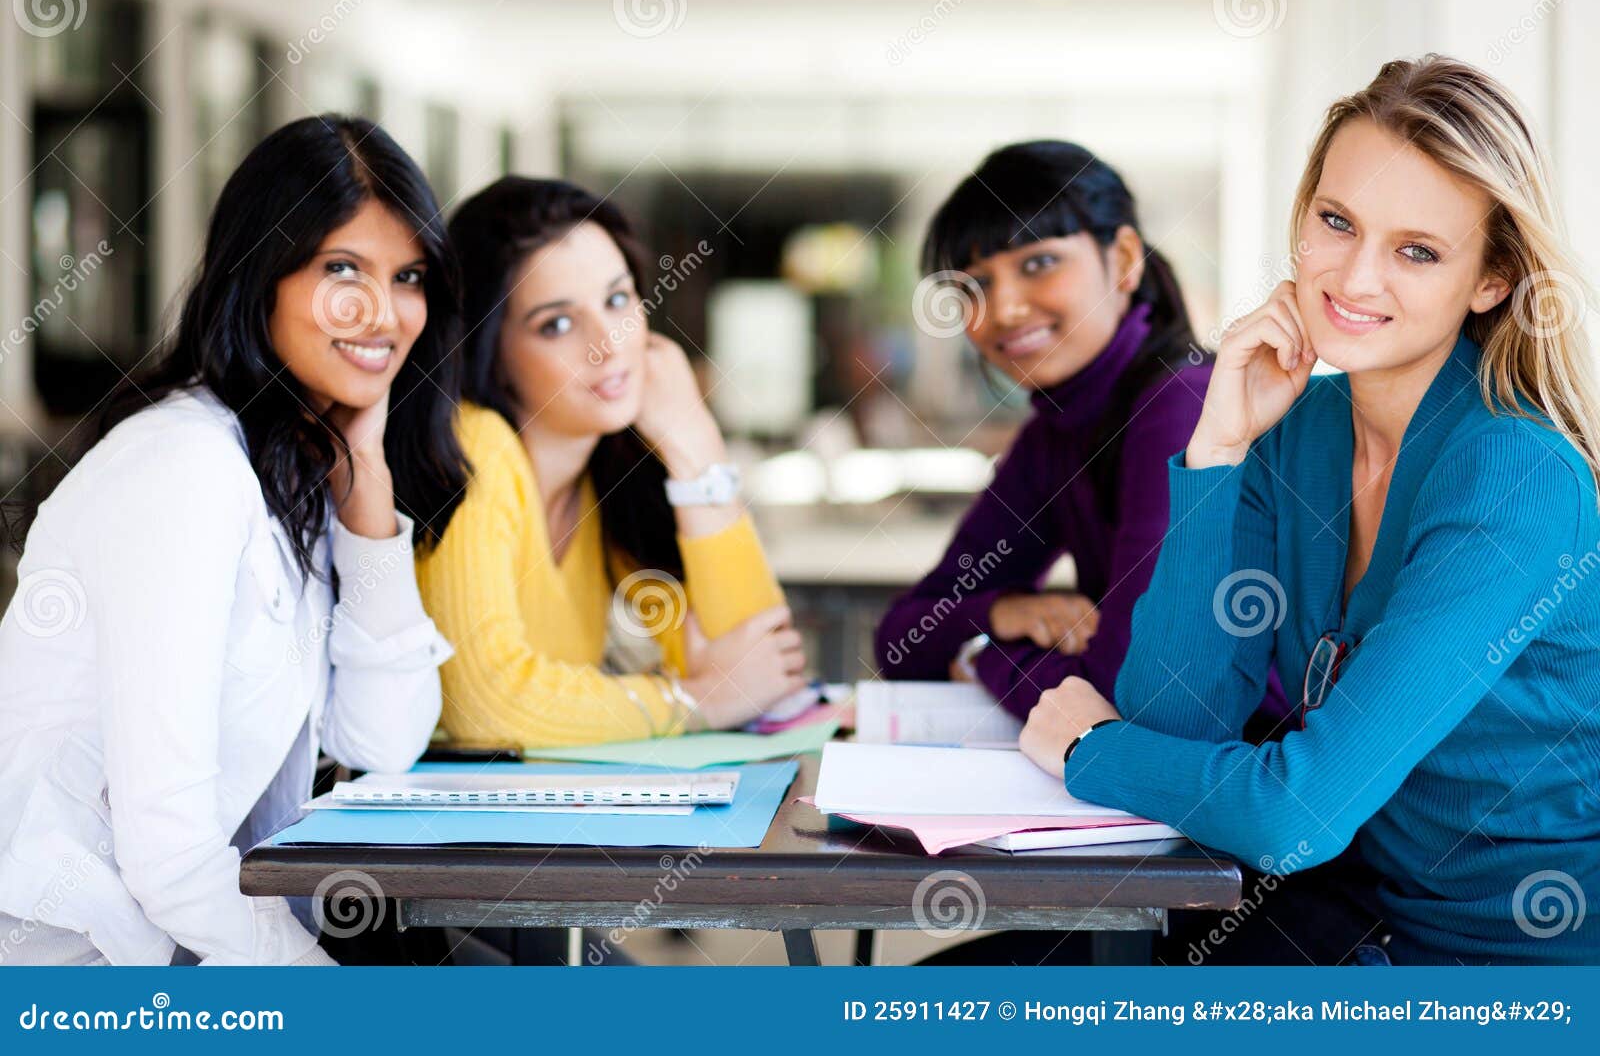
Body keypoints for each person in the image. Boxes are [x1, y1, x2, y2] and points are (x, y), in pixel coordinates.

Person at [1021, 55, 1600, 964]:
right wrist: (1218, 446)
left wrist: (1089, 745)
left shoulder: (1514, 476)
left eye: (1417, 251)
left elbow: (1296, 813)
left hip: (1506, 971)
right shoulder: (1298, 431)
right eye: (1337, 222)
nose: (1356, 278)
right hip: (1347, 923)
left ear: (1489, 281)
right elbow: (1178, 723)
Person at [0, 116, 467, 965]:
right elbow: (168, 852)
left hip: (180, 950)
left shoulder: (292, 467)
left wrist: (367, 481)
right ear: (261, 279)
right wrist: (322, 994)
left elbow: (383, 739)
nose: (385, 312)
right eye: (341, 270)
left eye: (408, 276)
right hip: (70, 972)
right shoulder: (184, 467)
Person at [875, 140, 1289, 726]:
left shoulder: (1183, 404)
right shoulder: (1056, 431)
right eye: (975, 286)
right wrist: (1002, 612)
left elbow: (1120, 693)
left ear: (1123, 260)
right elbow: (900, 638)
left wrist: (978, 656)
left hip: (1252, 774)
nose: (1006, 309)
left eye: (1038, 264)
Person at [417, 177, 807, 749]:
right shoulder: (477, 446)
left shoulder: (607, 474)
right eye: (558, 323)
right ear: (493, 352)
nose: (608, 344)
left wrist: (697, 452)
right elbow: (487, 705)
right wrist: (692, 700)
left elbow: (762, 667)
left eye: (618, 300)